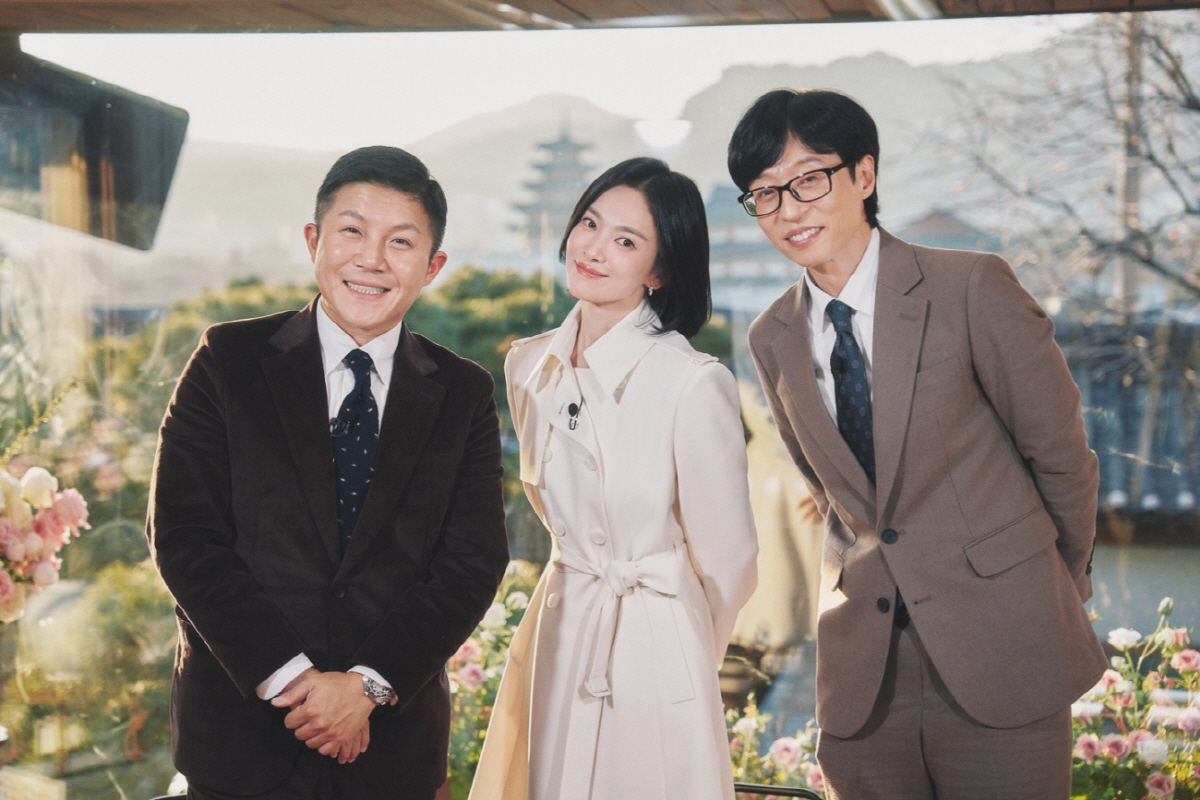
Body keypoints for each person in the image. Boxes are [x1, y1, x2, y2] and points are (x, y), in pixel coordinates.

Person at [727, 88, 1106, 800]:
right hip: (866, 678)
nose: (790, 209)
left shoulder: (970, 287)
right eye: (766, 193)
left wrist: (1049, 589)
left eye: (809, 179)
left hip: (1002, 647)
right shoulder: (770, 336)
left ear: (864, 174)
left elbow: (1061, 458)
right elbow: (831, 494)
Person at [147, 145, 510, 800]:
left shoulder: (464, 393)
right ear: (314, 240)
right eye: (352, 232)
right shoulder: (227, 361)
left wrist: (366, 687)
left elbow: (471, 564)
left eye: (400, 242)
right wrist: (298, 684)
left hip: (391, 751)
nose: (371, 260)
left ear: (432, 266)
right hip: (239, 744)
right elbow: (185, 538)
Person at [468, 157, 758, 800]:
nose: (594, 248)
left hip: (657, 645)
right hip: (561, 623)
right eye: (590, 224)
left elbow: (732, 563)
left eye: (626, 241)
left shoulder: (693, 382)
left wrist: (681, 648)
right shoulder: (528, 365)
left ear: (659, 271)